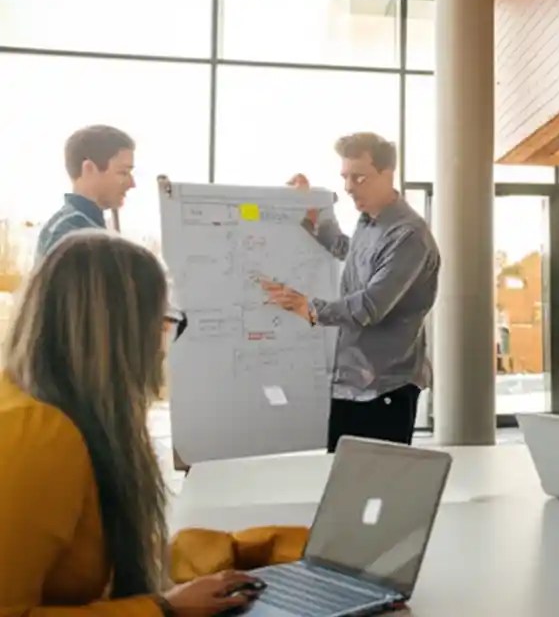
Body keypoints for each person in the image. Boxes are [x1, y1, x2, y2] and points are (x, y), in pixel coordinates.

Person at [0, 230, 261, 616]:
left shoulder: (63, 417)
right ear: (122, 333)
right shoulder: (38, 436)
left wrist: (255, 549)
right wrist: (163, 609)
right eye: (162, 324)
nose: (162, 347)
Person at [262, 132, 439, 453]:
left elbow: (370, 306)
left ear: (388, 174)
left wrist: (308, 308)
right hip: (351, 384)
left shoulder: (408, 235)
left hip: (385, 389)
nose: (348, 187)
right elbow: (346, 249)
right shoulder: (369, 222)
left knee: (377, 478)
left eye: (359, 177)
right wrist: (310, 208)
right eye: (345, 177)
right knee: (340, 475)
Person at [35, 124, 136, 258]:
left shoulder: (83, 229)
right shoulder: (73, 236)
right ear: (89, 169)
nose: (132, 184)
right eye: (123, 172)